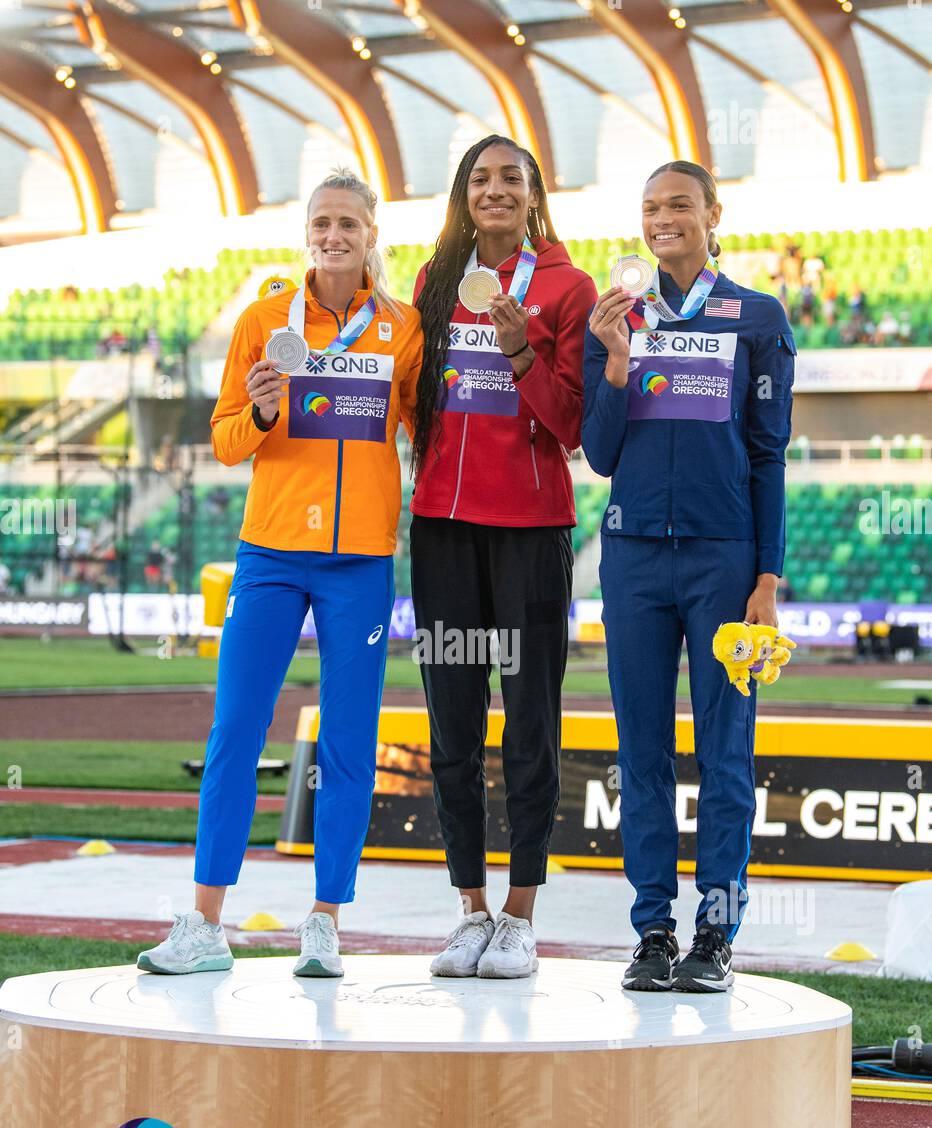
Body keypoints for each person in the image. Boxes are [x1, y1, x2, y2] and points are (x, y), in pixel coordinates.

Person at [137, 168, 423, 978]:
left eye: (350, 225)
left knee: (349, 742)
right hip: (267, 553)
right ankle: (204, 923)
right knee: (235, 729)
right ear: (308, 232)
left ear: (372, 236)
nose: (336, 236)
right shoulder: (265, 320)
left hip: (360, 560)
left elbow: (423, 430)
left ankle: (326, 919)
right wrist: (262, 409)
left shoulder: (401, 327)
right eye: (323, 223)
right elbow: (227, 439)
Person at [582, 160, 796, 992]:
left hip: (724, 560)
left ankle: (716, 927)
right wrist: (611, 359)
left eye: (679, 205)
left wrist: (766, 578)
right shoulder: (619, 316)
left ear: (713, 214)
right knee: (642, 748)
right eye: (649, 208)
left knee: (725, 748)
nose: (662, 219)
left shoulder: (758, 317)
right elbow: (599, 454)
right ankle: (652, 930)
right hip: (632, 560)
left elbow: (768, 455)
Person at [409, 134, 597, 980]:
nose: (495, 190)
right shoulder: (434, 281)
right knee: (452, 723)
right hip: (444, 529)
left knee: (529, 724)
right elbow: (420, 401)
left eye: (510, 178)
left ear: (532, 193)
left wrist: (522, 348)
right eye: (480, 178)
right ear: (465, 193)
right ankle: (468, 910)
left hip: (528, 532)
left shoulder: (568, 286)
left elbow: (573, 428)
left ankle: (521, 914)